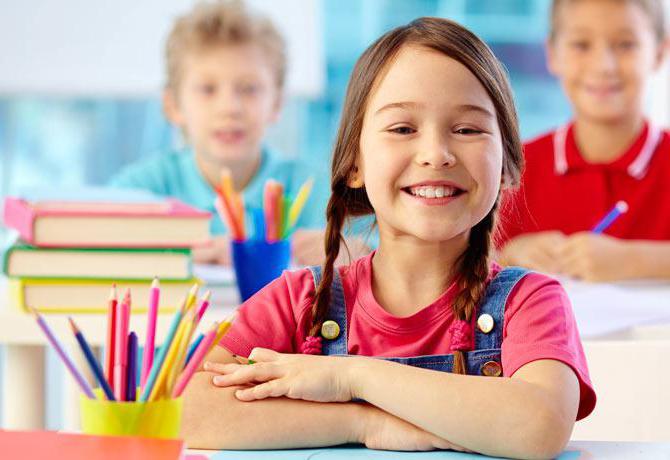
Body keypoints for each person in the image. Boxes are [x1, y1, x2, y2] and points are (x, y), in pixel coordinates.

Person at [182, 17, 596, 459]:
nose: (436, 153)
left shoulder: (529, 302)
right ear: (354, 163)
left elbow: (538, 426)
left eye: (468, 129)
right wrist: (363, 422)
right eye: (402, 129)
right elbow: (186, 408)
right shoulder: (297, 301)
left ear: (509, 164)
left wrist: (352, 378)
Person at [110, 0, 370, 265]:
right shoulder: (140, 192)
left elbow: (385, 257)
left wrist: (354, 252)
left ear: (277, 103)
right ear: (173, 105)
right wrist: (186, 252)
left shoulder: (321, 192)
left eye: (249, 89)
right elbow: (98, 254)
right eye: (207, 89)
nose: (229, 108)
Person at [498, 0, 670, 281]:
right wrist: (510, 254)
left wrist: (633, 261)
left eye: (626, 45)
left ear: (660, 53)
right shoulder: (515, 170)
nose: (604, 66)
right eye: (581, 45)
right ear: (552, 54)